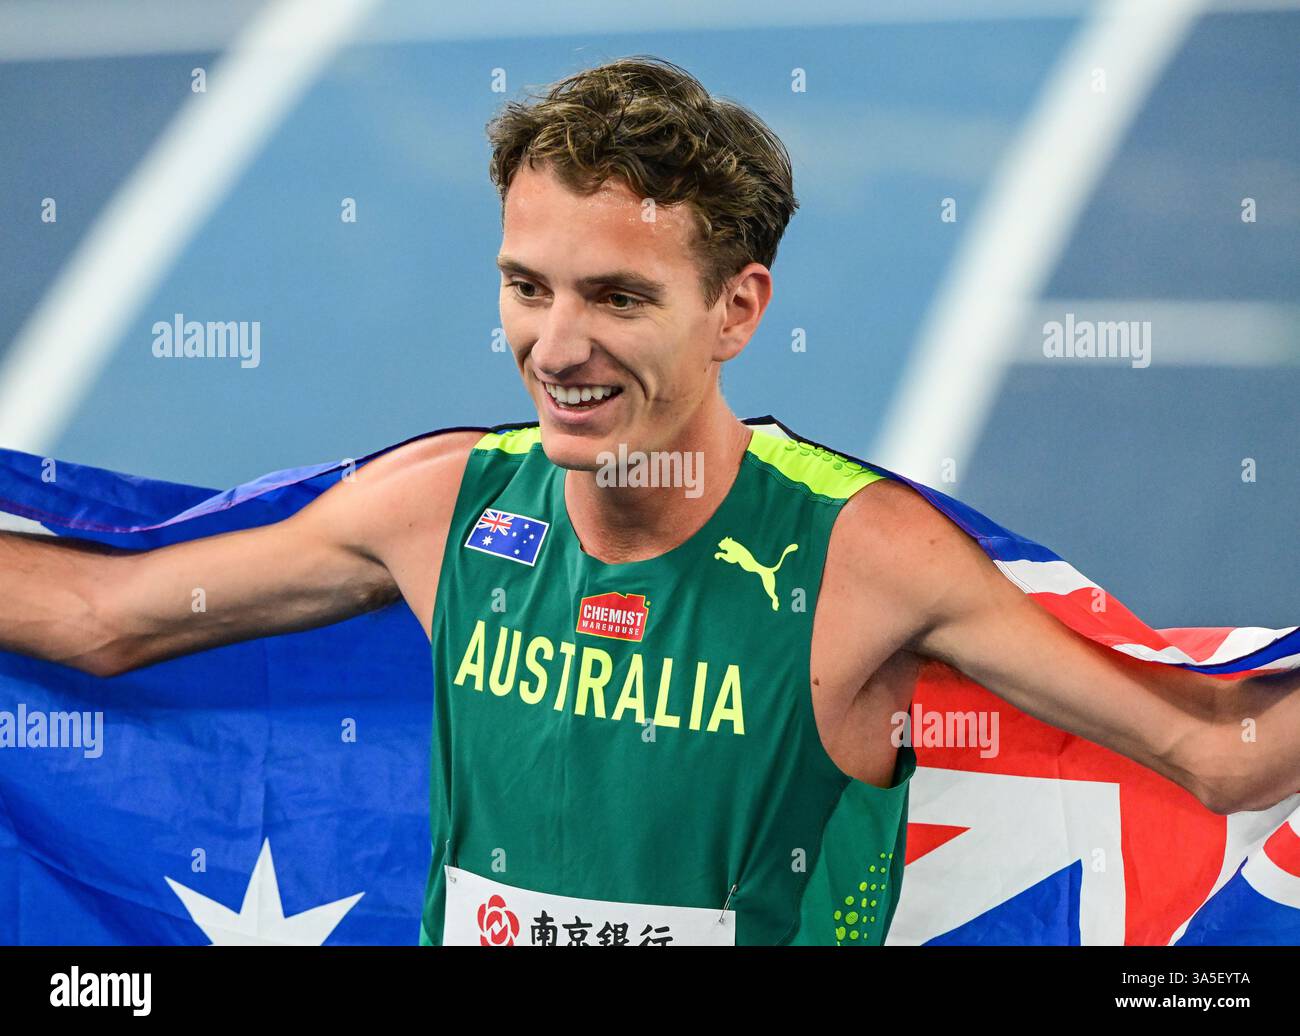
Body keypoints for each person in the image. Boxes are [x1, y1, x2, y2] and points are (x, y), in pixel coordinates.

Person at [0, 56, 1295, 947]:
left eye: (619, 299)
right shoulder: (440, 509)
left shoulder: (863, 557)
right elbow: (103, 618)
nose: (556, 346)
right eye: (527, 286)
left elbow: (1218, 754)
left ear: (738, 310)